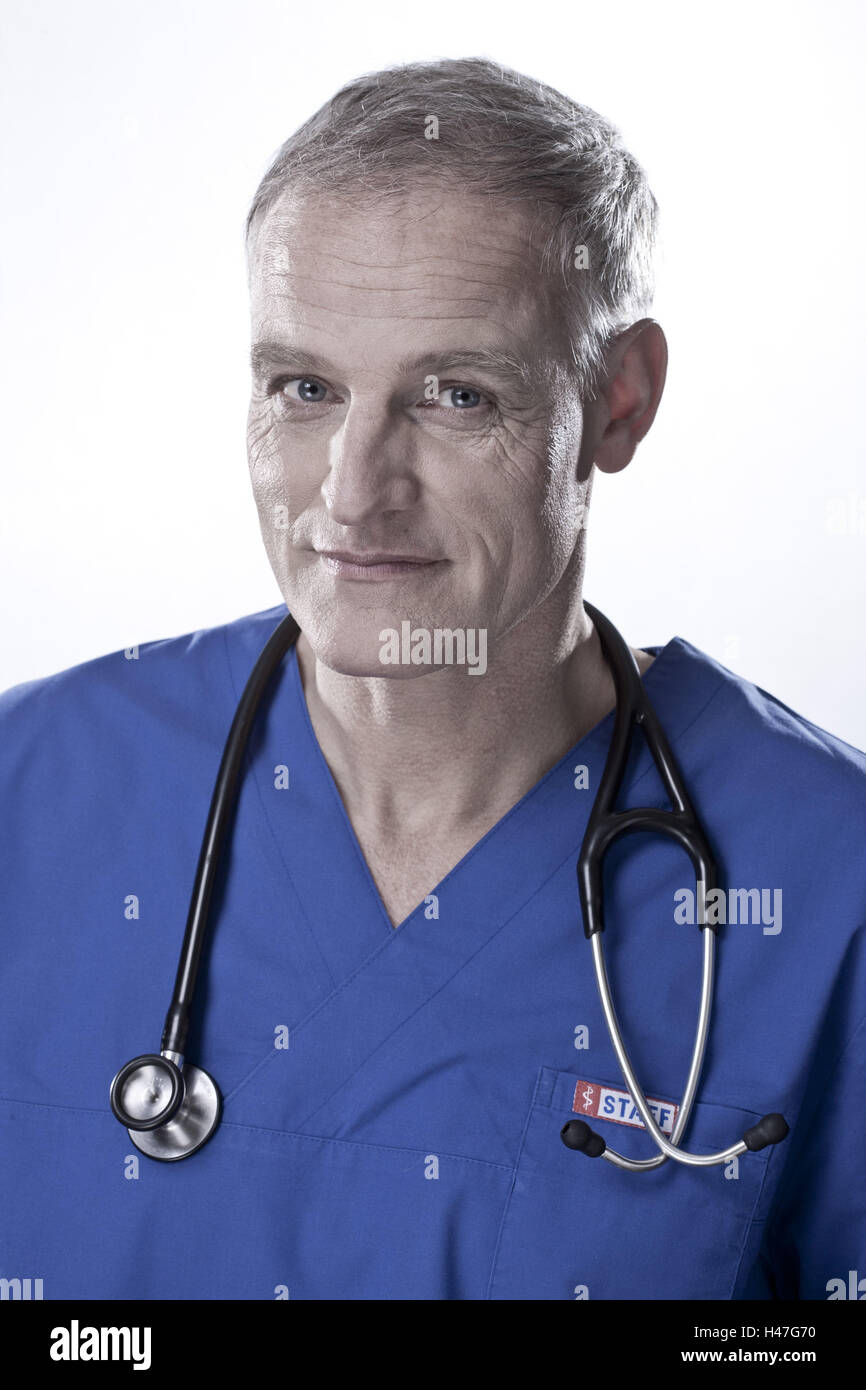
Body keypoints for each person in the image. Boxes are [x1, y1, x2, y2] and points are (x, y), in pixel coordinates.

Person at [1, 56, 864, 1303]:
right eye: (305, 388)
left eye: (456, 396)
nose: (351, 494)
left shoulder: (825, 883)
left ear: (615, 403)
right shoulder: (33, 796)